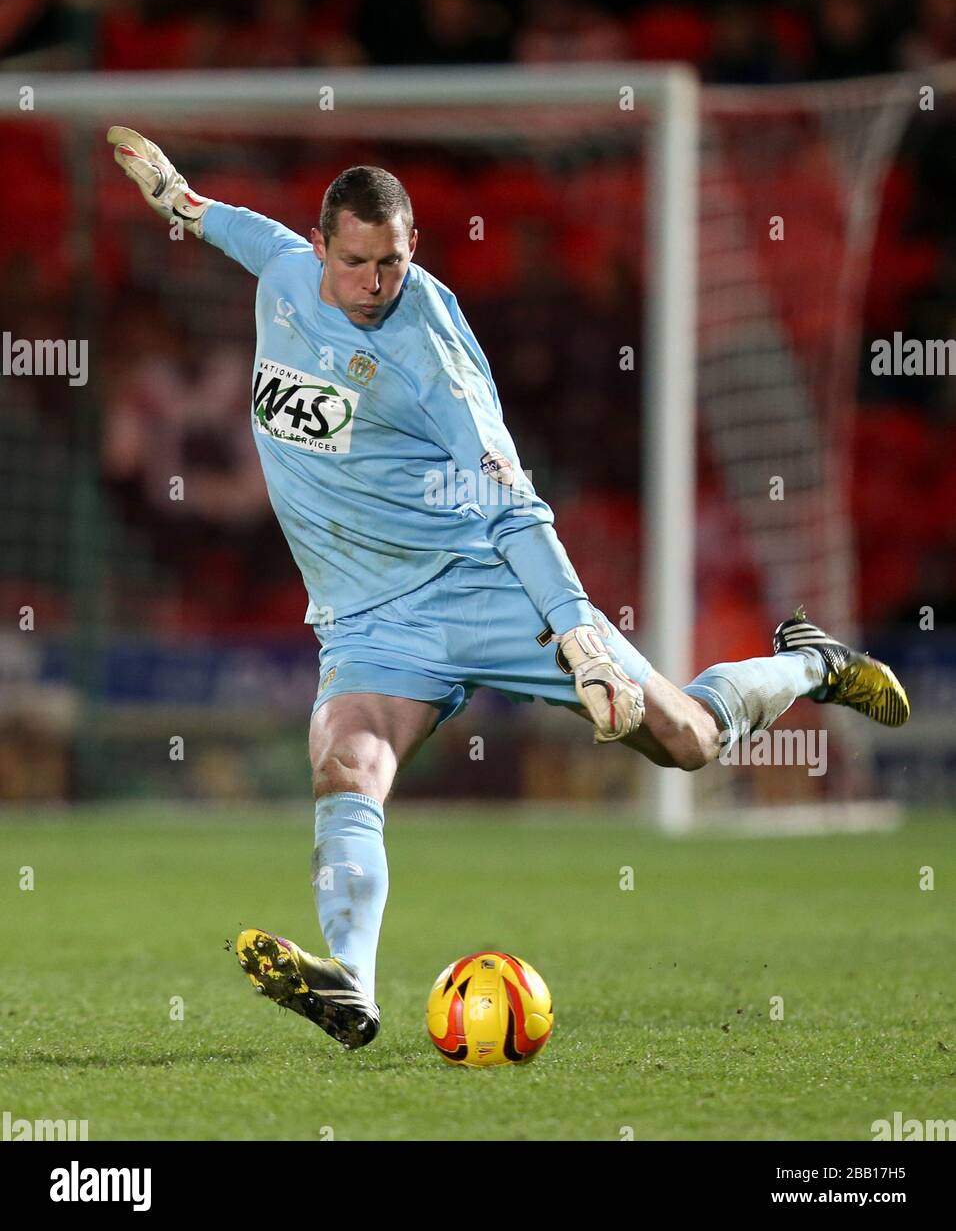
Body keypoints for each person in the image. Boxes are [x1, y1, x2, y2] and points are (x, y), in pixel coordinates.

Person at [108, 126, 911, 1050]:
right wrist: (179, 201)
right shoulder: (288, 274)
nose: (375, 283)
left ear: (415, 252)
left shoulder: (433, 360)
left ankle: (806, 665)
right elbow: (250, 235)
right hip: (372, 622)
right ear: (323, 247)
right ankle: (352, 984)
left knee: (685, 741)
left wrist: (577, 637)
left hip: (489, 589)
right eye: (358, 261)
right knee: (345, 764)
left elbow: (516, 509)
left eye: (394, 264)